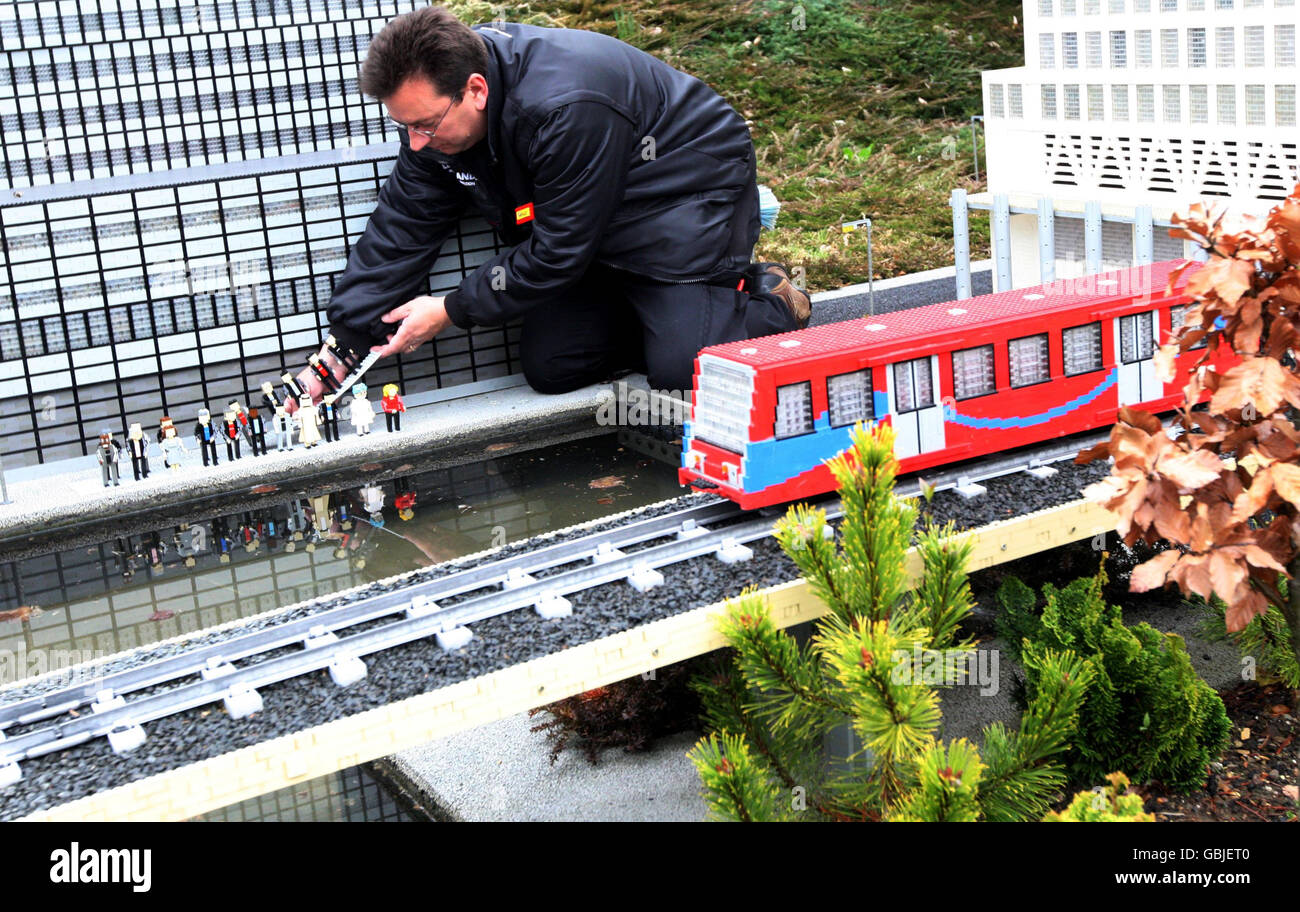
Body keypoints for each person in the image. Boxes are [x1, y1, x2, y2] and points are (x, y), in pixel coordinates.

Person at [293, 7, 809, 404]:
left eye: (425, 125)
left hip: (683, 202)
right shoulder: (439, 123)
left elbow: (558, 252)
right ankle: (668, 326)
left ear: (476, 90)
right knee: (552, 366)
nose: (416, 143)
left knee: (680, 371)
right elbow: (400, 229)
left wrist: (449, 310)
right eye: (404, 127)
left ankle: (768, 298)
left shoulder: (563, 106)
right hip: (590, 227)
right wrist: (343, 344)